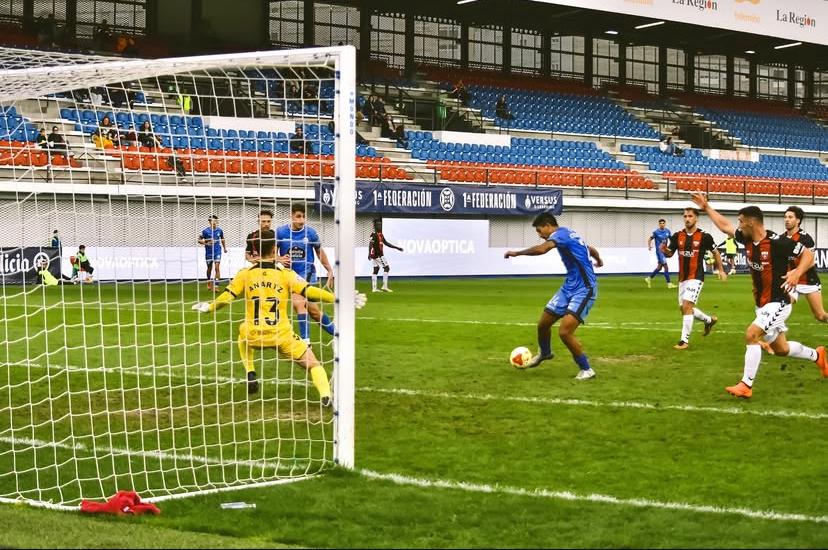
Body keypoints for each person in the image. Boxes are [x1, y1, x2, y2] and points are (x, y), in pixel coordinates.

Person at [191, 229, 367, 399]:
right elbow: (310, 291)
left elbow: (227, 298)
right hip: (282, 336)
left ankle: (250, 371)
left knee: (242, 334)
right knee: (313, 364)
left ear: (254, 251)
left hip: (254, 335)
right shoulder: (286, 274)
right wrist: (338, 298)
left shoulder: (245, 274)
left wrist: (210, 307)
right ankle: (325, 395)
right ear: (275, 249)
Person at [690, 193, 828, 398]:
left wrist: (797, 273)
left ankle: (746, 385)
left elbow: (808, 254)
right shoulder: (746, 238)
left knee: (751, 334)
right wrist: (706, 208)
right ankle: (818, 356)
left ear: (752, 223)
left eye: (741, 221)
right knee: (781, 349)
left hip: (779, 302)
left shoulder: (778, 242)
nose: (738, 225)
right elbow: (725, 226)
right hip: (762, 304)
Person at [504, 213, 603, 379]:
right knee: (543, 324)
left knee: (565, 332)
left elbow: (543, 249)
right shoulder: (570, 234)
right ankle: (545, 353)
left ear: (548, 225)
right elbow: (589, 248)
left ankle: (587, 369)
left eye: (539, 230)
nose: (540, 235)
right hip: (568, 287)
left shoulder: (560, 235)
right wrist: (599, 260)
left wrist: (517, 253)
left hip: (584, 289)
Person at [660, 207, 726, 350]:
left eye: (690, 216)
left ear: (696, 218)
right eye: (685, 216)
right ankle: (709, 320)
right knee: (684, 309)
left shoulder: (705, 236)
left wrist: (720, 269)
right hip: (682, 277)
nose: (687, 219)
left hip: (696, 276)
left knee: (687, 306)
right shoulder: (677, 236)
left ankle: (684, 341)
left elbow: (716, 253)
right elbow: (670, 254)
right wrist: (665, 251)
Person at [276, 203, 336, 343]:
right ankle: (338, 335)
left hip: (306, 273)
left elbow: (319, 252)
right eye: (298, 216)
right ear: (291, 216)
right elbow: (272, 253)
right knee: (314, 312)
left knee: (298, 303)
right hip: (288, 275)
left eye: (303, 217)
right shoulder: (281, 232)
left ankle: (305, 342)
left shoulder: (311, 233)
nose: (301, 220)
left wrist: (329, 270)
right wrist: (279, 259)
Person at [782, 206, 827, 323]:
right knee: (780, 308)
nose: (786, 219)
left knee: (820, 315)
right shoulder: (781, 238)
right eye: (785, 217)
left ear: (798, 220)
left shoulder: (806, 239)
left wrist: (795, 272)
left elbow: (811, 262)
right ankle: (773, 337)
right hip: (791, 281)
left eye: (790, 217)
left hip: (808, 280)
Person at [368, 218, 403, 293]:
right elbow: (370, 244)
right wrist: (369, 254)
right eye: (378, 225)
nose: (380, 226)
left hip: (375, 255)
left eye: (380, 225)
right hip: (378, 255)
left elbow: (386, 243)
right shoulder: (374, 234)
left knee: (376, 269)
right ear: (375, 226)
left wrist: (397, 248)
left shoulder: (380, 235)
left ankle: (374, 289)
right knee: (387, 268)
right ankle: (384, 286)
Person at [198, 215, 227, 291]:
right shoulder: (205, 231)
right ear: (209, 222)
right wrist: (206, 243)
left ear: (217, 222)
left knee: (217, 267)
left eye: (215, 221)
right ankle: (208, 281)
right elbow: (199, 240)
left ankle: (216, 286)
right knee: (209, 268)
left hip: (217, 251)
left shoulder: (220, 230)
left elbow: (222, 239)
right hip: (209, 252)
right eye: (212, 221)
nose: (214, 222)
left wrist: (224, 248)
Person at [644, 218, 675, 289]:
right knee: (666, 267)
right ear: (659, 224)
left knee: (659, 268)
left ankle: (648, 278)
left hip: (664, 251)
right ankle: (669, 283)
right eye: (660, 223)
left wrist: (670, 248)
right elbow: (650, 239)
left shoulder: (667, 231)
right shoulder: (656, 232)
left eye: (663, 223)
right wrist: (649, 246)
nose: (662, 224)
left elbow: (672, 240)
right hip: (659, 252)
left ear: (665, 224)